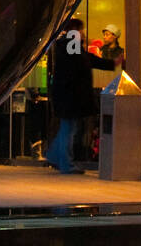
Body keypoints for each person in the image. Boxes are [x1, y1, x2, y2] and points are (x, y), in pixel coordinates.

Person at [45, 18, 116, 173]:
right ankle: (66, 163)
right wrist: (110, 64)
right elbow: (82, 62)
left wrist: (110, 64)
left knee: (68, 127)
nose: (83, 33)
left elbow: (85, 59)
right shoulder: (72, 43)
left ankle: (55, 156)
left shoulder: (69, 44)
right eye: (80, 29)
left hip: (67, 95)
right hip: (70, 96)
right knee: (69, 129)